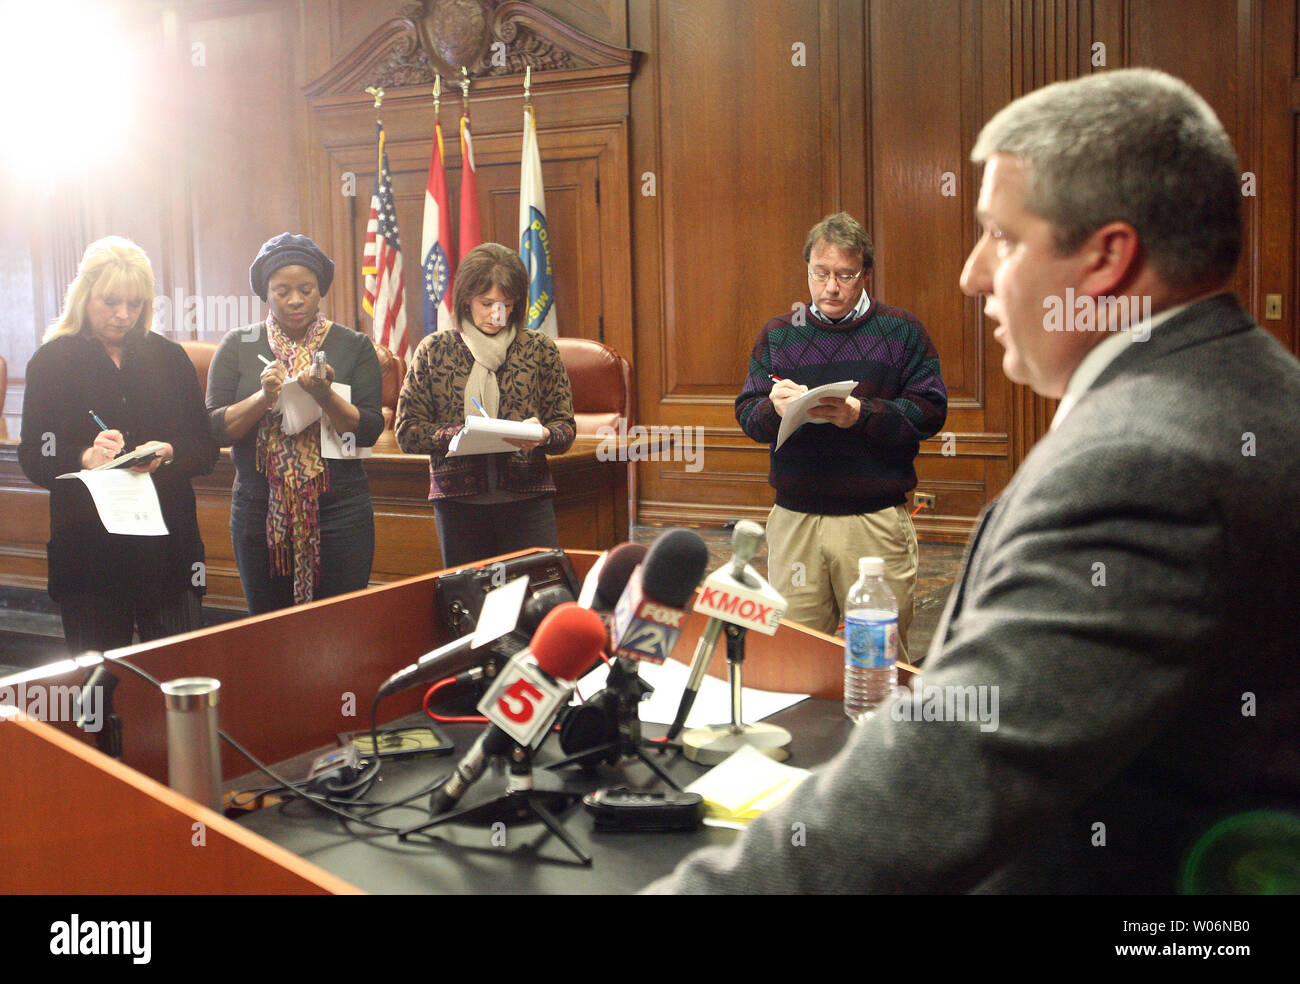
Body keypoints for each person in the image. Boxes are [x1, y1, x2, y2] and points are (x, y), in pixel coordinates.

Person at [648, 68, 1300, 894]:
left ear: (1107, 257)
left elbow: (945, 772)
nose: (972, 274)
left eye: (1001, 235)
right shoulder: (1244, 386)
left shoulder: (1142, 465)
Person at [735, 212, 947, 659]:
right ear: (807, 270)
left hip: (871, 522)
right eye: (821, 273)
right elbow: (747, 415)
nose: (831, 287)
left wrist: (863, 414)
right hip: (796, 521)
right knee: (793, 658)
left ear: (866, 274)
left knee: (879, 659)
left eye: (845, 275)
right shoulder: (779, 333)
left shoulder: (902, 330)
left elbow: (930, 412)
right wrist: (773, 410)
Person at [17, 237, 217, 652]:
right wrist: (83, 456)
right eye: (110, 302)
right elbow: (34, 455)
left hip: (168, 550)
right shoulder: (51, 362)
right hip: (90, 555)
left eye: (135, 303)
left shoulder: (170, 357)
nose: (123, 315)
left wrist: (169, 452)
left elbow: (206, 446)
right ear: (84, 295)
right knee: (98, 695)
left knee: (176, 682)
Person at [206, 233, 383, 614]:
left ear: (320, 290)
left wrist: (325, 395)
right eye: (282, 291)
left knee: (339, 626)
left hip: (341, 510)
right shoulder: (238, 345)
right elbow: (214, 429)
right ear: (266, 294)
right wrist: (262, 399)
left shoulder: (353, 345)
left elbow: (368, 428)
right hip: (259, 510)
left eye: (306, 289)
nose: (295, 300)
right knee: (270, 629)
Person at [395, 243, 576, 568]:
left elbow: (565, 428)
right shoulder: (435, 350)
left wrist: (544, 435)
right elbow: (407, 432)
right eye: (487, 303)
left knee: (537, 597)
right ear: (466, 298)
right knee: (472, 603)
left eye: (507, 304)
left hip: (527, 501)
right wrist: (457, 436)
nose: (497, 315)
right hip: (459, 506)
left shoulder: (538, 350)